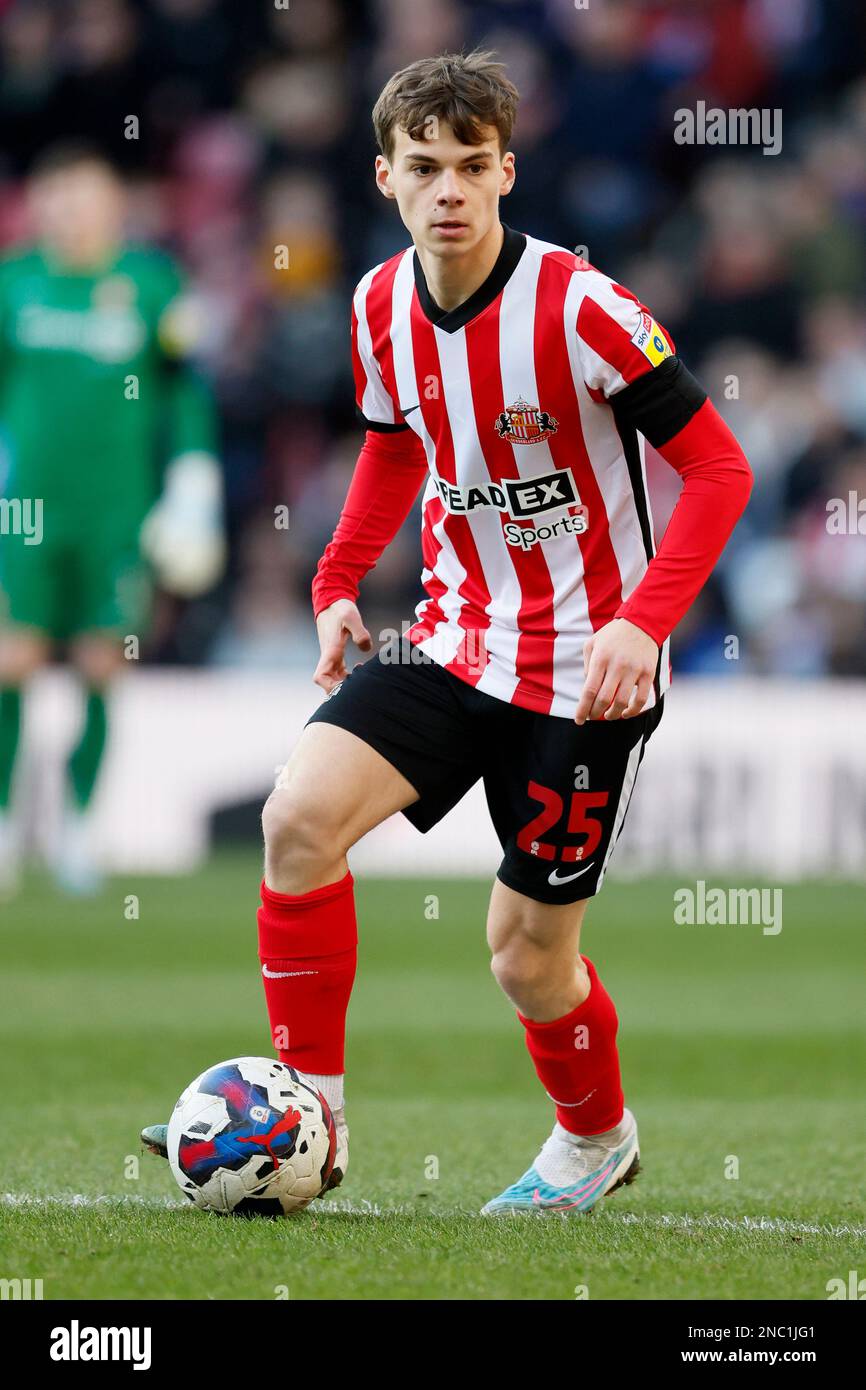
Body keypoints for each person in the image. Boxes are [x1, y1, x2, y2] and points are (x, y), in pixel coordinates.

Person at [144, 51, 752, 1213]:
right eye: (424, 168)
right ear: (385, 177)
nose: (449, 191)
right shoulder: (377, 305)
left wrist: (644, 620)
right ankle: (309, 1109)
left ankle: (594, 1139)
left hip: (587, 673)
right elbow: (389, 447)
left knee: (526, 956)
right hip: (451, 638)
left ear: (506, 171)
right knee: (296, 820)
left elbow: (717, 470)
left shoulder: (583, 309)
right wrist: (335, 580)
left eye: (472, 166)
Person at [0, 142, 224, 896]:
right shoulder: (14, 285)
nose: (69, 212)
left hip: (119, 511)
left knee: (102, 665)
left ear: (113, 206)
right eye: (55, 197)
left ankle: (76, 826)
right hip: (25, 509)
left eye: (84, 196)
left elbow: (183, 390)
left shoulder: (150, 285)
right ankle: (3, 827)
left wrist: (193, 479)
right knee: (13, 660)